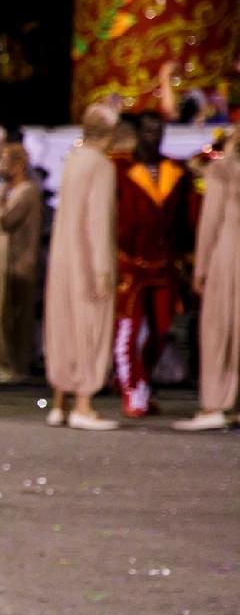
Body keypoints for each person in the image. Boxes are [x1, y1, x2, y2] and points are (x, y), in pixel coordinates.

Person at [43, 104, 121, 430]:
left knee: (64, 324)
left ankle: (59, 403)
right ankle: (84, 406)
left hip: (64, 255)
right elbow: (98, 220)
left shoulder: (73, 160)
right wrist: (103, 268)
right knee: (89, 326)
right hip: (87, 258)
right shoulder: (101, 165)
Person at [112, 112, 192, 417]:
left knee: (160, 330)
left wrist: (187, 256)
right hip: (129, 262)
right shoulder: (118, 169)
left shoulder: (175, 171)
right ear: (136, 134)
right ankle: (132, 390)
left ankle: (140, 383)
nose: (154, 137)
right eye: (148, 131)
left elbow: (183, 220)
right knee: (128, 330)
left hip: (165, 264)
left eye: (159, 131)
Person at [176, 130, 238, 431]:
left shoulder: (222, 170)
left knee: (218, 329)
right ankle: (234, 404)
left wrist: (200, 269)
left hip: (228, 255)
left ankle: (214, 404)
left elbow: (211, 222)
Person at [0, 139, 44, 384]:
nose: (0, 166)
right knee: (3, 314)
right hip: (6, 262)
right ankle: (3, 360)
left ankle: (17, 366)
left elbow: (6, 221)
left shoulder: (27, 192)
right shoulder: (10, 190)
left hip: (21, 263)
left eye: (4, 161)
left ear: (19, 164)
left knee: (18, 316)